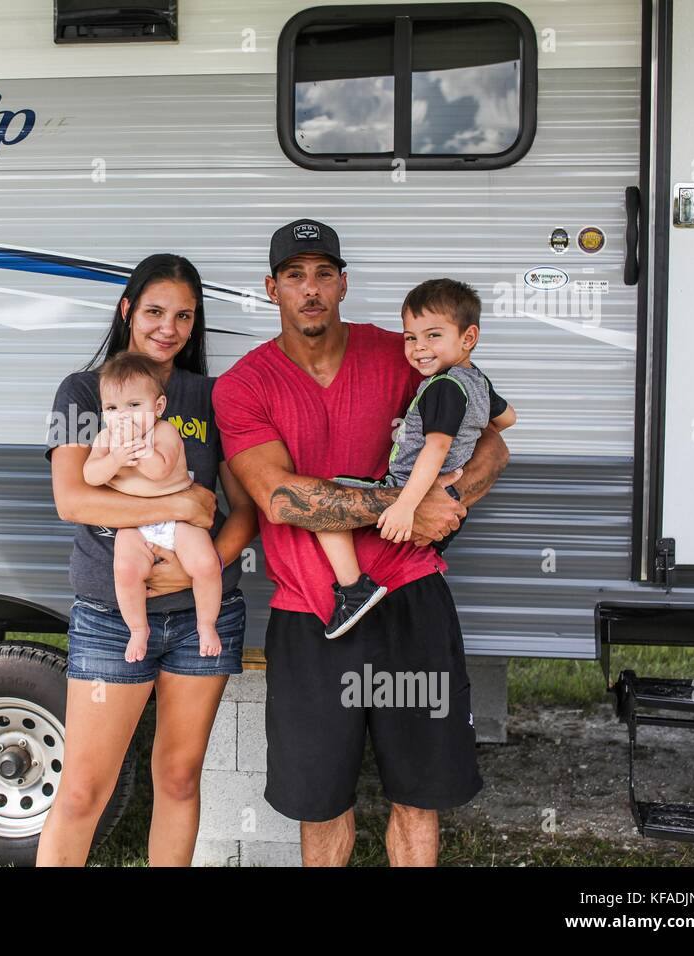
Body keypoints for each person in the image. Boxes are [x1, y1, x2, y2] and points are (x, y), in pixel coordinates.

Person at [212, 219, 510, 867]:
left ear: (343, 283)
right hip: (313, 615)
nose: (310, 289)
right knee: (322, 806)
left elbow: (493, 442)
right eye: (294, 276)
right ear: (272, 288)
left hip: (410, 604)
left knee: (418, 798)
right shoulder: (243, 385)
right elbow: (279, 498)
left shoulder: (402, 356)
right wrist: (403, 506)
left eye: (323, 274)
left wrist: (451, 500)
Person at [37, 253, 258, 867]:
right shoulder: (85, 390)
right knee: (84, 789)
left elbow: (244, 511)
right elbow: (73, 498)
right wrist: (185, 499)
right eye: (156, 311)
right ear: (127, 310)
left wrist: (200, 560)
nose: (169, 327)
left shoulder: (214, 397)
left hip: (202, 615)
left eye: (185, 316)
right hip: (112, 614)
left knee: (180, 778)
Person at [316, 277, 518, 639]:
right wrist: (466, 445)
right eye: (411, 337)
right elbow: (507, 419)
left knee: (325, 503)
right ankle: (425, 566)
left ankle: (353, 590)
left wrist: (406, 504)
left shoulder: (443, 386)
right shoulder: (478, 383)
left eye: (433, 336)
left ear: (468, 338)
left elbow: (434, 449)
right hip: (447, 500)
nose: (419, 348)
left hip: (403, 487)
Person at [83, 352, 224, 663]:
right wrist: (114, 459)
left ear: (158, 407)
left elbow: (159, 471)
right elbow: (91, 476)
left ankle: (206, 625)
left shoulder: (164, 432)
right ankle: (138, 628)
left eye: (134, 406)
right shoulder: (106, 439)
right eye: (112, 408)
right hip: (134, 523)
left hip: (179, 519)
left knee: (206, 565)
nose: (123, 416)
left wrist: (140, 448)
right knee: (126, 569)